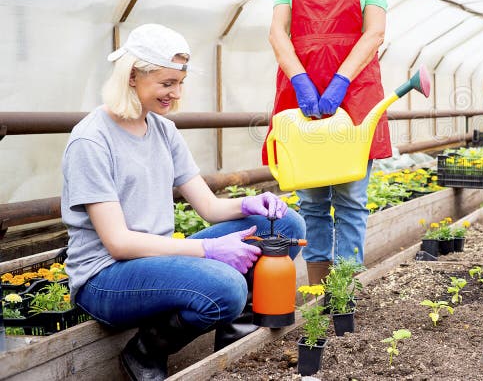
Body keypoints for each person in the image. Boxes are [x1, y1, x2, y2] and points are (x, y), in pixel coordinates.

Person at [61, 23, 305, 381]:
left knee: (287, 226)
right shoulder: (92, 141)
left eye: (179, 83)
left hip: (157, 259)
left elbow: (209, 208)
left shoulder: (163, 130)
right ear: (132, 77)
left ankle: (234, 335)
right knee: (227, 287)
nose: (175, 94)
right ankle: (146, 351)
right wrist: (209, 251)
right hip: (106, 278)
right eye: (166, 83)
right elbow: (119, 243)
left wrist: (251, 204)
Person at [264, 0, 389, 284]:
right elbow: (277, 33)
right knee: (312, 197)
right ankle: (319, 289)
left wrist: (339, 81)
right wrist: (300, 79)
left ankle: (345, 290)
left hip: (354, 91)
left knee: (351, 198)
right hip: (300, 90)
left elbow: (374, 34)